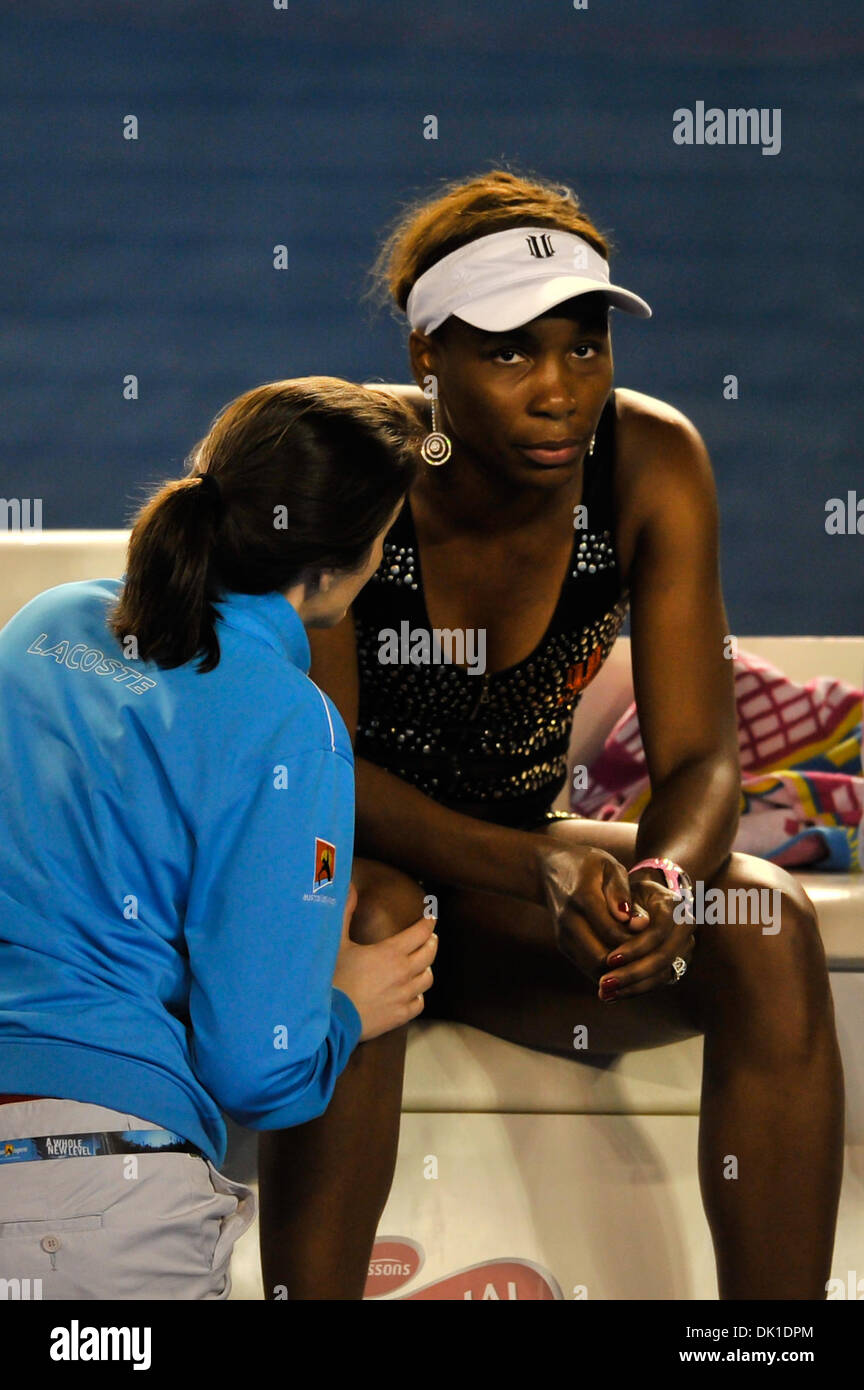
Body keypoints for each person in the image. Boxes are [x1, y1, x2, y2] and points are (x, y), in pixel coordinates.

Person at [257, 172, 845, 1302]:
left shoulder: (651, 461)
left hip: (523, 897)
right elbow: (320, 781)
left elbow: (701, 758)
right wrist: (538, 861)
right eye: (511, 353)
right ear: (429, 352)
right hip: (355, 882)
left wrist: (666, 879)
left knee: (766, 917)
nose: (560, 392)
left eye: (584, 348)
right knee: (375, 908)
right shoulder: (356, 472)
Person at [0, 376, 437, 1299]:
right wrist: (345, 1005)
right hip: (104, 1206)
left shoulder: (39, 629)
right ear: (332, 569)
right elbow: (257, 1068)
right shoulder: (294, 726)